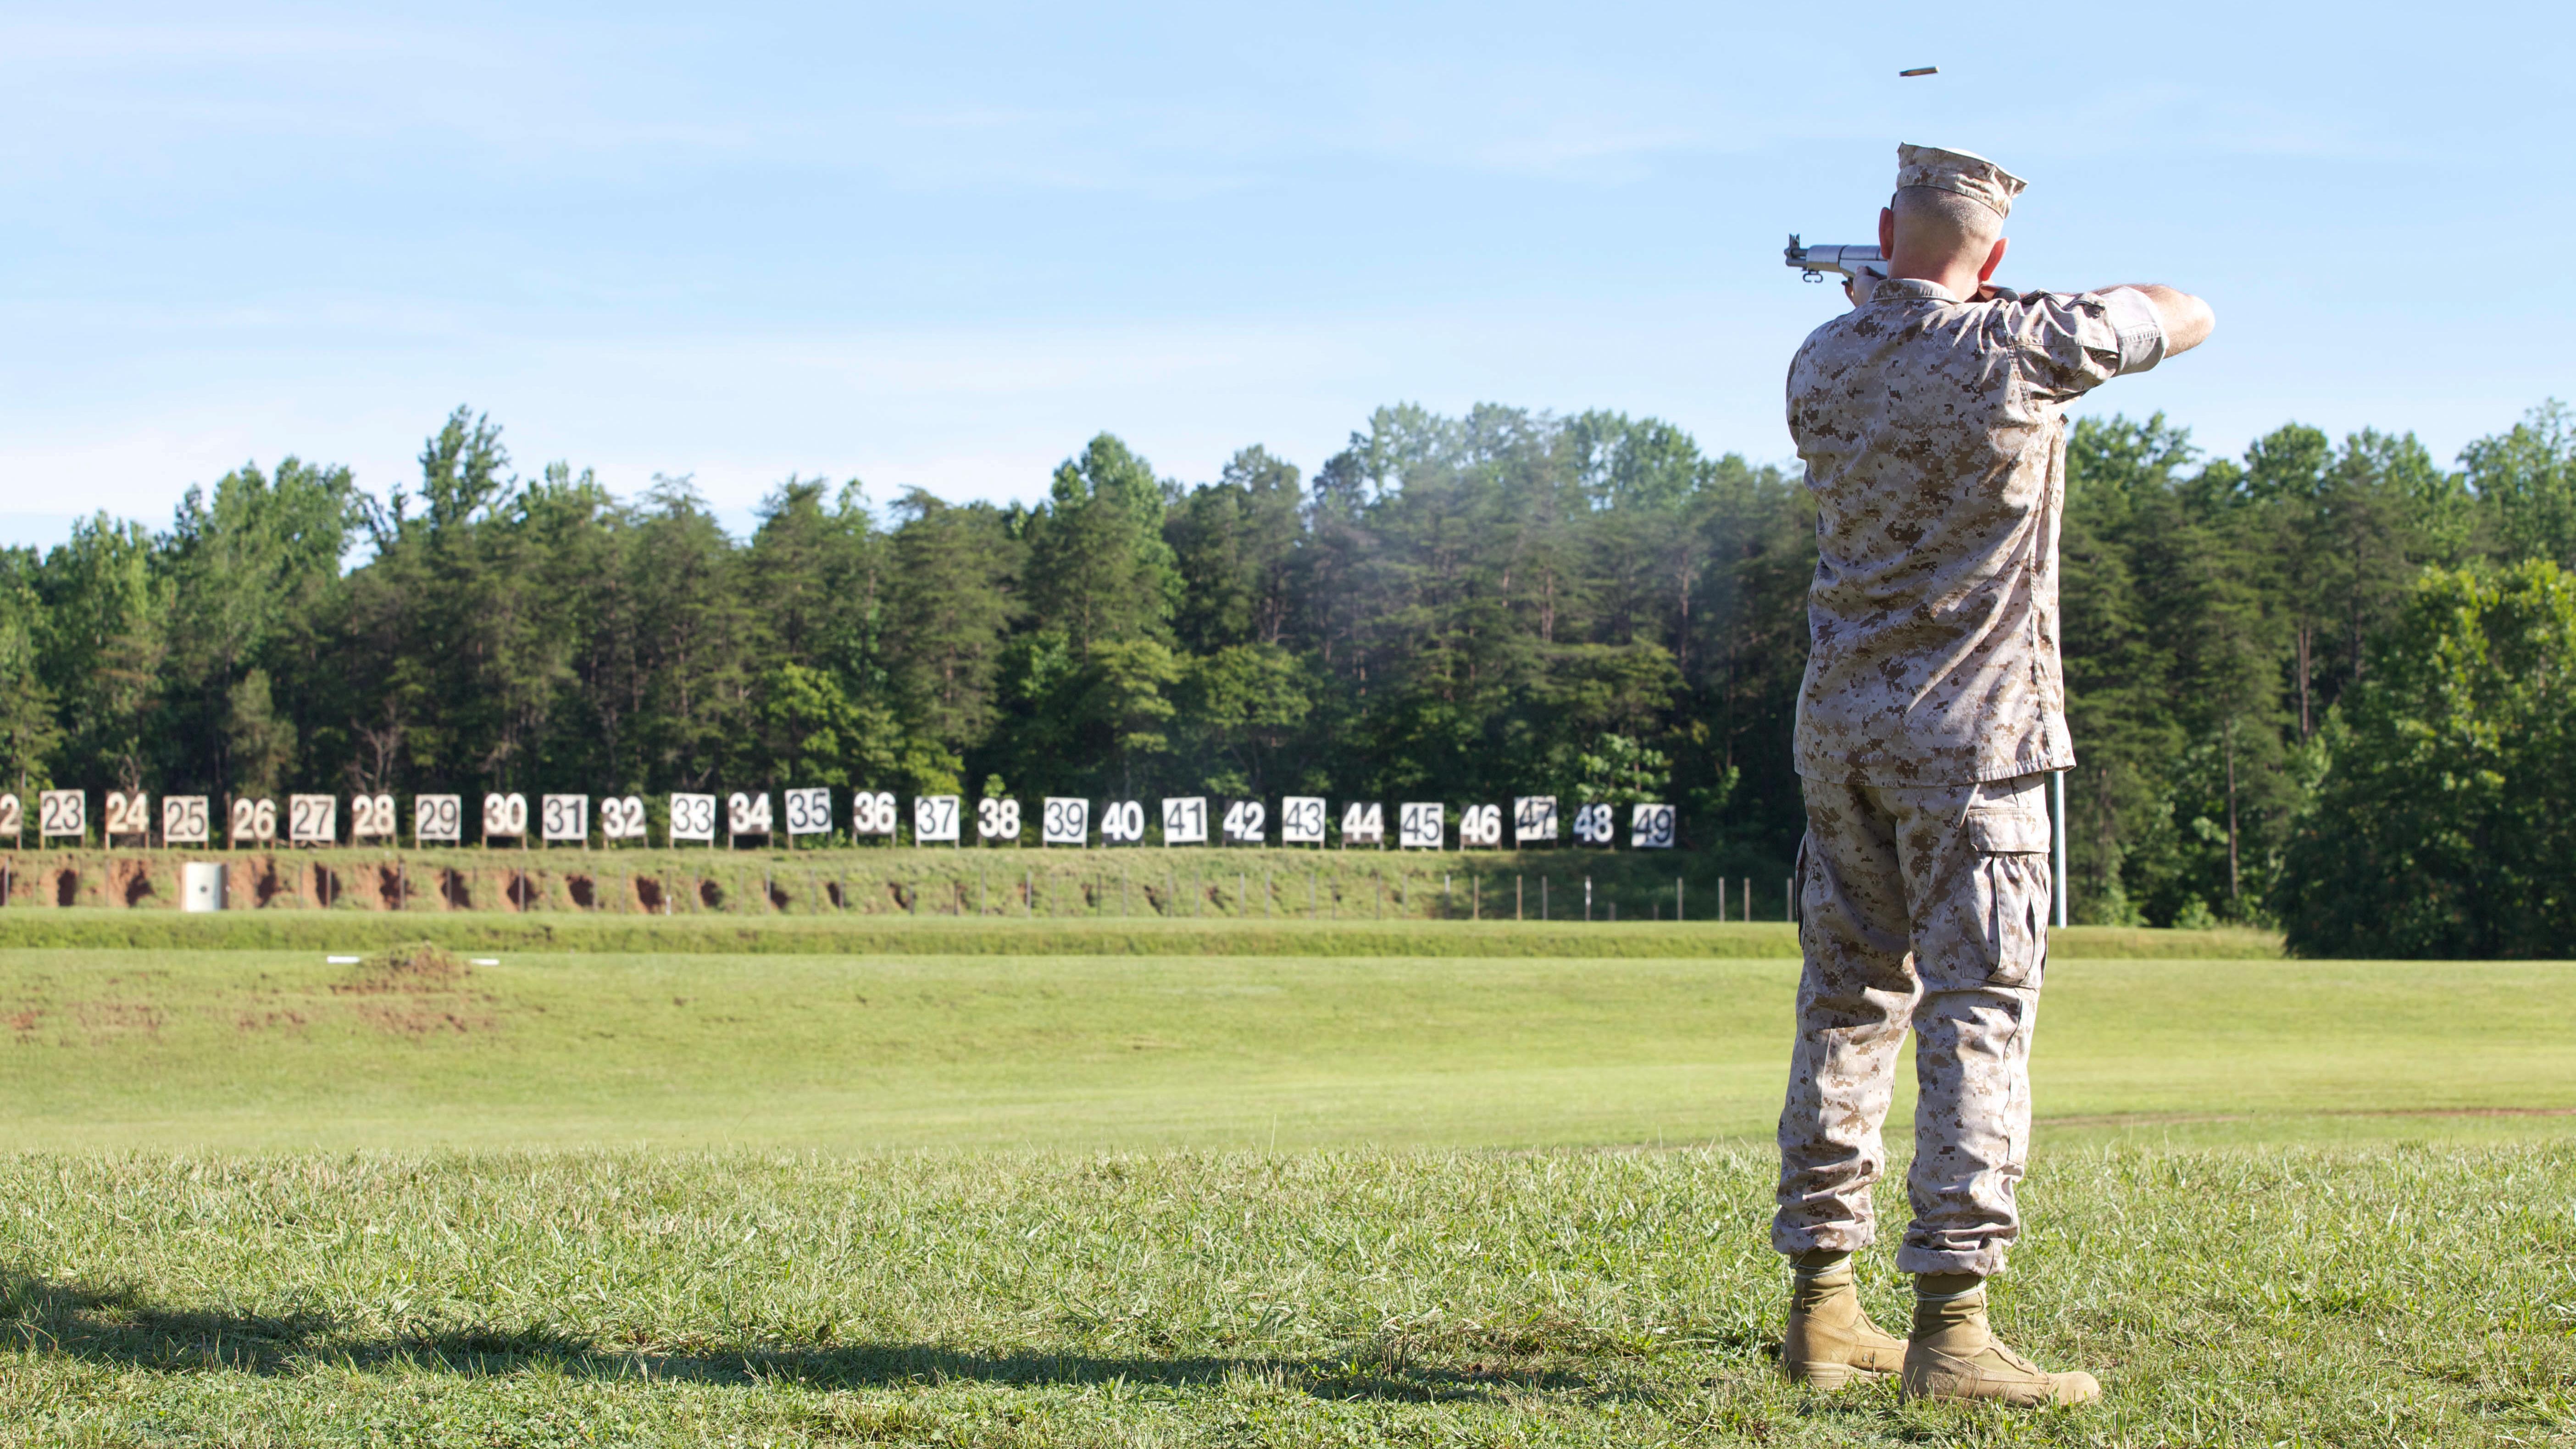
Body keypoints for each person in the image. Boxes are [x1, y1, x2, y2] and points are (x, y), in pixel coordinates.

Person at [1771, 143, 2214, 1406]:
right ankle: (1954, 1335)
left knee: (1848, 1007)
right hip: (1975, 738)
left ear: (1881, 229)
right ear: (2001, 257)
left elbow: (1898, 361)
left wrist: (1933, 306)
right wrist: (2020, 309)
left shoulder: (1820, 360)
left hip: (1842, 733)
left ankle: (1823, 1313)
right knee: (1977, 1014)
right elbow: (2189, 312)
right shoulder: (2022, 346)